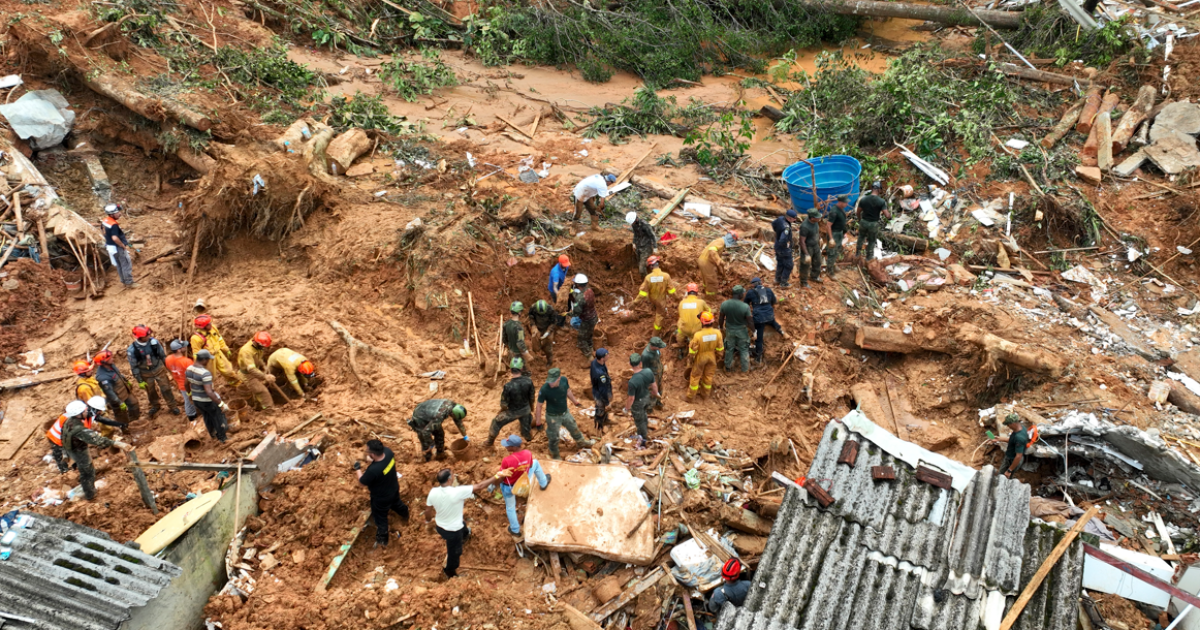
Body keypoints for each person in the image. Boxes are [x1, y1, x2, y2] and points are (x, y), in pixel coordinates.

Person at [425, 467, 503, 579]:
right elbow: (480, 486)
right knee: (455, 552)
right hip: (452, 531)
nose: (454, 476)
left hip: (440, 526)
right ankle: (450, 571)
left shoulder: (433, 492)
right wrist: (496, 476)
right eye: (453, 475)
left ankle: (465, 535)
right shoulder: (457, 491)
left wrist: (428, 520)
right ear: (449, 479)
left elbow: (428, 510)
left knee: (463, 526)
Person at [46, 400, 125, 476]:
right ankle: (65, 473)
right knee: (61, 456)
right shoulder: (75, 419)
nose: (100, 413)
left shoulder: (86, 413)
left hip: (69, 437)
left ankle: (76, 468)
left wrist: (119, 424)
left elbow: (102, 420)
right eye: (99, 411)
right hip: (56, 437)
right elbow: (93, 439)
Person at [356, 439, 409, 550]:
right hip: (393, 488)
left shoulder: (373, 470)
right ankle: (407, 516)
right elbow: (376, 460)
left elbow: (361, 482)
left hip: (381, 498)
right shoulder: (388, 452)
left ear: (373, 454)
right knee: (397, 504)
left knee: (381, 519)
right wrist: (365, 457)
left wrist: (357, 469)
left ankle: (382, 541)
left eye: (368, 452)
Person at [534, 368, 594, 459]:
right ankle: (554, 453)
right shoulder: (544, 389)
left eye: (552, 381)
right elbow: (539, 406)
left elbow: (568, 391)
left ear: (558, 378)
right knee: (553, 436)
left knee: (574, 428)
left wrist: (575, 402)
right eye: (549, 381)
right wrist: (538, 422)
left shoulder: (564, 380)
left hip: (565, 413)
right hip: (552, 416)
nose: (550, 383)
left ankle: (581, 442)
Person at [498, 435, 551, 537]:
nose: (506, 447)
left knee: (510, 507)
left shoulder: (507, 460)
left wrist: (493, 484)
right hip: (522, 482)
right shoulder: (528, 453)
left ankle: (515, 530)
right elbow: (530, 466)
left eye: (508, 445)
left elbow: (502, 476)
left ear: (514, 447)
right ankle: (543, 483)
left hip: (509, 487)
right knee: (535, 463)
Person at [127, 325, 180, 417]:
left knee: (166, 388)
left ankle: (172, 406)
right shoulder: (132, 350)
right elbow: (134, 366)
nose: (149, 336)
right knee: (151, 391)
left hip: (158, 369)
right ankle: (155, 405)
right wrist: (139, 380)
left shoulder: (154, 343)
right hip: (145, 373)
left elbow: (162, 356)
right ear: (139, 337)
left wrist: (169, 368)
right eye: (146, 335)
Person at [486, 358, 536, 447]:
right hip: (525, 410)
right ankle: (529, 440)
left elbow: (504, 404)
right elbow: (532, 398)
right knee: (526, 428)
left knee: (496, 421)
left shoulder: (508, 386)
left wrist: (501, 410)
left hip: (513, 412)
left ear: (510, 370)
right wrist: (531, 408)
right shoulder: (529, 381)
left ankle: (489, 442)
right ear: (521, 369)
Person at [186, 350, 231, 442]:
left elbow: (186, 384)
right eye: (208, 360)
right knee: (217, 417)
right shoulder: (205, 373)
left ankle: (213, 434)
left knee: (206, 416)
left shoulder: (189, 369)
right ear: (203, 360)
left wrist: (190, 395)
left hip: (196, 400)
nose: (208, 362)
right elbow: (209, 392)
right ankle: (222, 438)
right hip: (206, 401)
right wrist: (221, 403)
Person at [190, 314, 241, 387]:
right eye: (208, 324)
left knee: (228, 371)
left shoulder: (213, 328)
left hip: (218, 354)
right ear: (203, 327)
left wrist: (225, 349)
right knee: (210, 377)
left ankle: (236, 384)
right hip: (208, 359)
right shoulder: (195, 338)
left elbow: (219, 338)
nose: (211, 324)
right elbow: (196, 353)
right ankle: (209, 391)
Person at [744, 278, 787, 364]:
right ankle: (781, 331)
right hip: (769, 315)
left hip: (758, 319)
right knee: (772, 322)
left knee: (759, 338)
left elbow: (745, 304)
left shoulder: (750, 292)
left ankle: (758, 357)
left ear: (753, 285)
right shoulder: (768, 290)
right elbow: (774, 301)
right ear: (762, 283)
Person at [630, 256, 676, 334]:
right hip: (661, 301)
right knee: (660, 315)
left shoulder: (648, 278)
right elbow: (672, 292)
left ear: (651, 266)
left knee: (652, 297)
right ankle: (655, 334)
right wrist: (677, 298)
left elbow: (642, 294)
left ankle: (655, 333)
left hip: (651, 299)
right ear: (658, 264)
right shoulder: (666, 276)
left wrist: (634, 303)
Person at [94, 350, 140, 425]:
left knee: (134, 403)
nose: (113, 359)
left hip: (124, 391)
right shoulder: (102, 377)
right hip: (116, 397)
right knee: (121, 414)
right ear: (104, 362)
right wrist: (119, 402)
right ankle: (124, 427)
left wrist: (125, 380)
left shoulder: (111, 365)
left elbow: (117, 373)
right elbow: (109, 392)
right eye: (109, 358)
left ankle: (133, 421)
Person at [623, 354, 660, 442]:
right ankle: (645, 425)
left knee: (639, 421)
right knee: (644, 413)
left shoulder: (632, 382)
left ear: (630, 364)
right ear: (640, 362)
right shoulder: (648, 371)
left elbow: (631, 398)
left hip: (638, 402)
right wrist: (655, 393)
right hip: (647, 397)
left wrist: (626, 408)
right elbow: (654, 385)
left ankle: (643, 438)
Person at [688, 312, 724, 400]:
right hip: (712, 357)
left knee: (695, 376)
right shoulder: (718, 333)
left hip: (700, 357)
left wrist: (691, 359)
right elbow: (720, 348)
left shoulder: (698, 335)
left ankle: (690, 397)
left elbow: (692, 351)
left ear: (702, 322)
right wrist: (718, 356)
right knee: (708, 376)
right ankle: (705, 395)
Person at [718, 285, 754, 373]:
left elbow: (721, 318)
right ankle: (745, 370)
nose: (743, 294)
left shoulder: (724, 304)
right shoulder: (745, 306)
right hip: (742, 331)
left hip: (729, 331)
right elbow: (750, 321)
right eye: (742, 293)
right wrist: (754, 331)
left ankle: (727, 368)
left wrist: (721, 327)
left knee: (729, 349)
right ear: (739, 294)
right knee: (744, 349)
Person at [236, 331, 275, 410]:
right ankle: (269, 411)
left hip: (254, 371)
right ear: (257, 343)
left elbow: (258, 357)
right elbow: (251, 369)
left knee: (257, 391)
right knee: (263, 391)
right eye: (263, 347)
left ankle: (258, 407)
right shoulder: (246, 351)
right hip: (247, 374)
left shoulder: (258, 346)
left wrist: (264, 366)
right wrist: (265, 376)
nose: (264, 349)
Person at [101, 203, 137, 288]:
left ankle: (124, 281)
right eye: (117, 212)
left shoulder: (105, 221)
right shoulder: (114, 225)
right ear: (112, 214)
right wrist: (122, 245)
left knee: (119, 265)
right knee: (126, 264)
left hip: (110, 247)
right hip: (117, 247)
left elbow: (103, 232)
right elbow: (114, 238)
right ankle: (129, 283)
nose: (119, 213)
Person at [856, 183, 891, 260]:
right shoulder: (881, 201)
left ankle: (857, 254)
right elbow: (887, 215)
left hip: (863, 222)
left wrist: (860, 220)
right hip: (873, 224)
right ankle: (868, 257)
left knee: (861, 237)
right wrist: (890, 216)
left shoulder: (864, 199)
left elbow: (858, 212)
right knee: (871, 240)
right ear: (879, 190)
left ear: (872, 188)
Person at [675, 284, 710, 359]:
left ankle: (680, 348)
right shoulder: (701, 302)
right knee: (695, 340)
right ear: (697, 292)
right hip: (697, 330)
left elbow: (680, 314)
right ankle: (693, 356)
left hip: (684, 329)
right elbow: (708, 312)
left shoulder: (682, 303)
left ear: (687, 292)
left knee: (679, 332)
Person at [165, 340, 197, 421]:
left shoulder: (168, 359)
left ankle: (191, 415)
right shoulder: (187, 362)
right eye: (183, 346)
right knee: (190, 401)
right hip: (190, 385)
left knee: (187, 400)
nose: (186, 347)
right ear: (179, 350)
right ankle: (192, 416)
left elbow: (169, 368)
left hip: (180, 384)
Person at [698, 231, 737, 296]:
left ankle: (706, 291)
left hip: (703, 261)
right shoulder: (721, 242)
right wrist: (719, 260)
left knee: (706, 279)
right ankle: (711, 297)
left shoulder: (719, 241)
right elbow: (712, 251)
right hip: (706, 262)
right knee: (712, 281)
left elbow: (717, 260)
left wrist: (721, 272)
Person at [570, 274, 598, 359]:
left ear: (578, 284)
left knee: (581, 340)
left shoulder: (580, 297)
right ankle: (591, 350)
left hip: (586, 320)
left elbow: (577, 313)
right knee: (589, 335)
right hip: (594, 317)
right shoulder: (590, 291)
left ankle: (590, 359)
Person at [502, 302, 534, 372]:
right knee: (525, 372)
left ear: (511, 311)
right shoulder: (519, 327)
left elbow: (504, 339)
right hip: (518, 355)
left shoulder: (506, 324)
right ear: (520, 312)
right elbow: (520, 343)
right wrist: (527, 354)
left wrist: (509, 347)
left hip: (511, 353)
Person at [528, 299, 560, 366]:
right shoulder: (533, 308)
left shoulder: (550, 310)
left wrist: (548, 331)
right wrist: (533, 326)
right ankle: (537, 353)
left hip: (547, 328)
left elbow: (554, 322)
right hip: (537, 327)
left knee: (548, 346)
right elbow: (531, 318)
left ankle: (549, 361)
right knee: (535, 341)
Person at [997, 413, 1029, 479]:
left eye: (1008, 424)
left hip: (1012, 460)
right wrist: (1000, 439)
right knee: (1001, 473)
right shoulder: (1022, 428)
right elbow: (1013, 440)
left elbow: (1018, 456)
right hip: (1009, 456)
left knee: (1005, 477)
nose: (1008, 426)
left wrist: (1009, 470)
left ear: (1013, 424)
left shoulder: (1019, 437)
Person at [772, 209, 798, 287]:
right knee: (789, 265)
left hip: (777, 245)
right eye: (794, 218)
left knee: (780, 263)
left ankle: (777, 279)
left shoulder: (780, 219)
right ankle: (784, 283)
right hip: (783, 249)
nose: (795, 220)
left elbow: (773, 224)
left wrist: (778, 233)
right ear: (789, 218)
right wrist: (786, 245)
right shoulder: (786, 228)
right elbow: (783, 240)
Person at [640, 337, 668, 409]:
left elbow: (658, 357)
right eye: (659, 347)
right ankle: (649, 406)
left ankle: (658, 402)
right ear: (653, 346)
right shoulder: (645, 355)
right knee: (652, 391)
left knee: (659, 387)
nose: (660, 348)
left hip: (658, 371)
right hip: (652, 375)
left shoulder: (656, 350)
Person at [825, 195, 850, 276]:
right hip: (834, 233)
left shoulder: (841, 210)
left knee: (837, 250)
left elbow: (841, 223)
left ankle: (833, 264)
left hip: (839, 233)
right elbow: (828, 225)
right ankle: (829, 271)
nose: (847, 204)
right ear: (840, 202)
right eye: (845, 202)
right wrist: (831, 238)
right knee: (832, 252)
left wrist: (844, 232)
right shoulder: (834, 211)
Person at [797, 210, 823, 287]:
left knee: (818, 261)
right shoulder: (805, 226)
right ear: (812, 218)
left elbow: (816, 231)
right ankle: (803, 282)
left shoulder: (815, 222)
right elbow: (802, 241)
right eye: (818, 217)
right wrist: (806, 254)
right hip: (808, 247)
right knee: (805, 265)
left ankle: (814, 276)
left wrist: (820, 238)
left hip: (815, 245)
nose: (820, 218)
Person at [590, 348, 612, 432]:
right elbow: (603, 390)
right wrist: (607, 403)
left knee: (603, 409)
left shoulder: (595, 362)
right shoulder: (600, 374)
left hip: (598, 388)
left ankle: (605, 419)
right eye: (607, 355)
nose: (608, 355)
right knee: (600, 409)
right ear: (602, 358)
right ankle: (599, 426)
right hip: (600, 394)